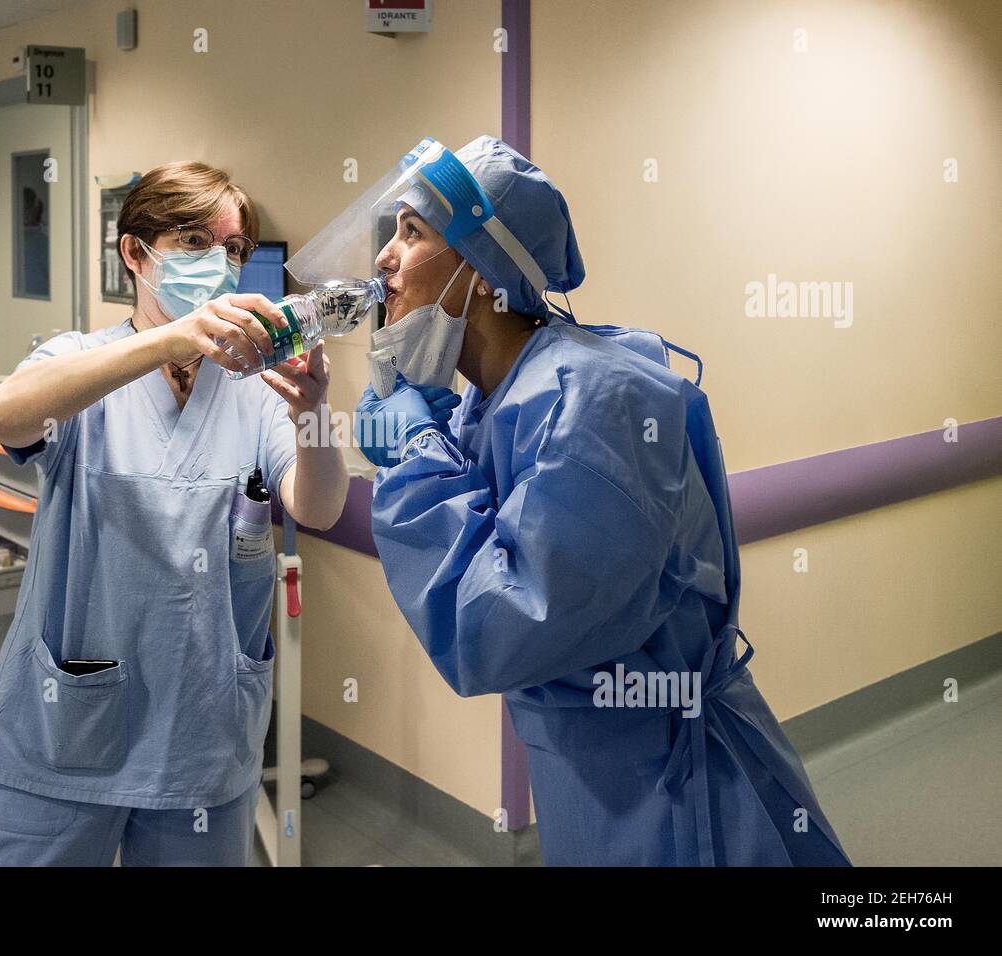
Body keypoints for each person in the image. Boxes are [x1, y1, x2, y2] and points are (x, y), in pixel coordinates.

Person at [343, 136, 850, 865]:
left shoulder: (597, 404)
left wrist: (419, 462)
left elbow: (504, 625)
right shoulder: (489, 399)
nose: (385, 258)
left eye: (413, 232)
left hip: (671, 783)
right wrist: (428, 434)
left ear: (483, 271)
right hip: (591, 766)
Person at [0, 161, 348, 866]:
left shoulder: (255, 389)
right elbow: (4, 415)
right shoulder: (79, 361)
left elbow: (316, 507)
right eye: (193, 240)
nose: (219, 263)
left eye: (232, 249)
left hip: (200, 736)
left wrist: (315, 412)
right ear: (135, 253)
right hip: (63, 732)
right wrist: (170, 339)